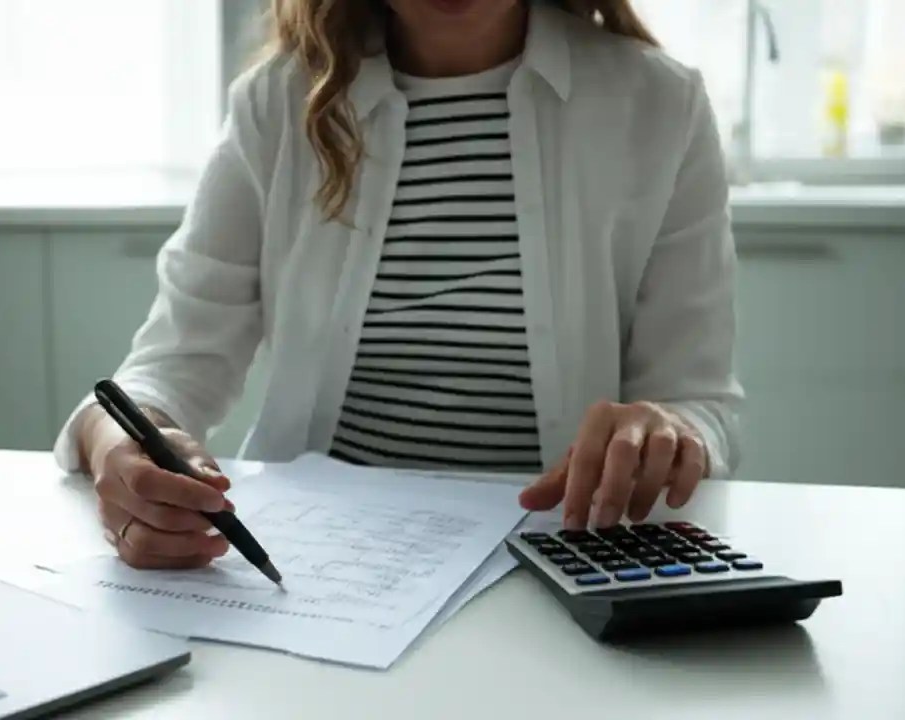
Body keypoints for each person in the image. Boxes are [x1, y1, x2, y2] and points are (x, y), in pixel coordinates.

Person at [54, 0, 743, 570]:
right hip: (322, 569)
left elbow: (700, 406)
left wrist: (668, 431)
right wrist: (116, 446)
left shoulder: (660, 104)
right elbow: (164, 371)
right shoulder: (276, 103)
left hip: (560, 558)